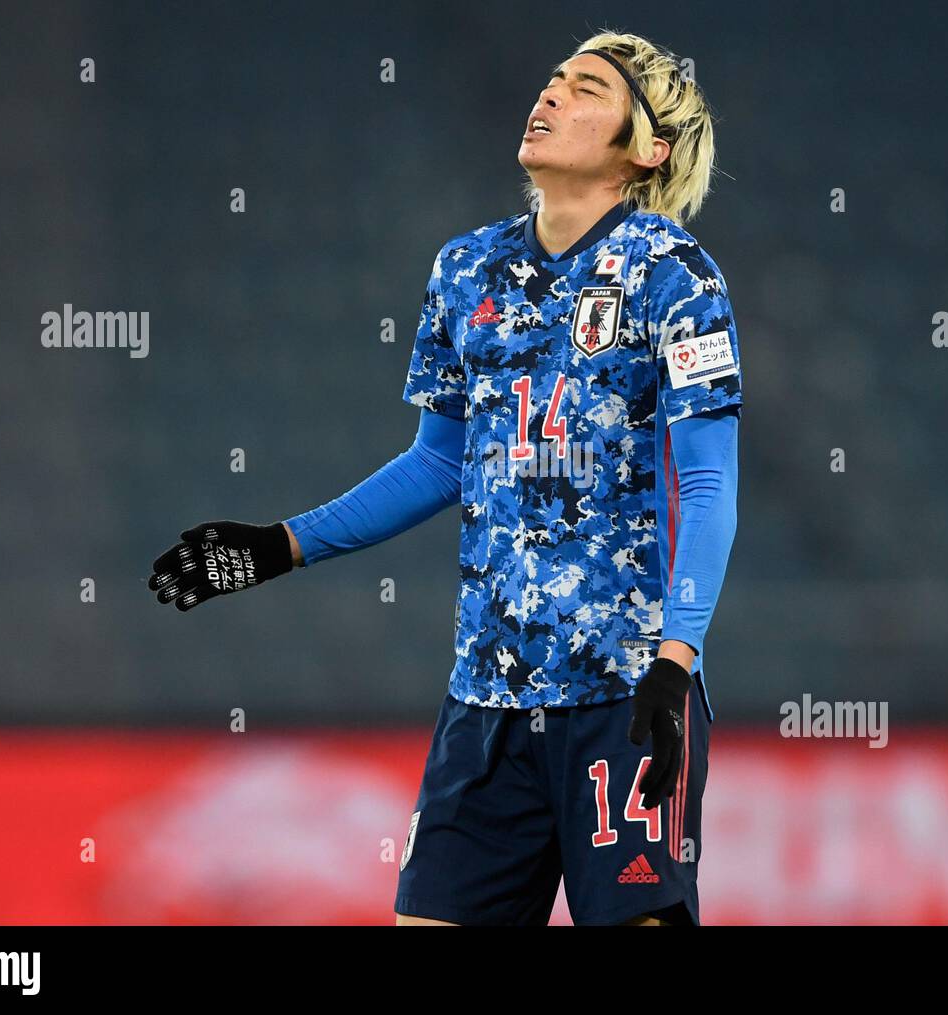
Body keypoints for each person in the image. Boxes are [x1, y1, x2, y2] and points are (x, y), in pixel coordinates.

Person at [149, 30, 740, 926]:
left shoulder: (675, 275)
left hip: (624, 692)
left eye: (587, 89)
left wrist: (675, 659)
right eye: (554, 78)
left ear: (645, 150)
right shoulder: (467, 271)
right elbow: (440, 460)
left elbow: (707, 484)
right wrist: (281, 544)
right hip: (487, 698)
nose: (551, 94)